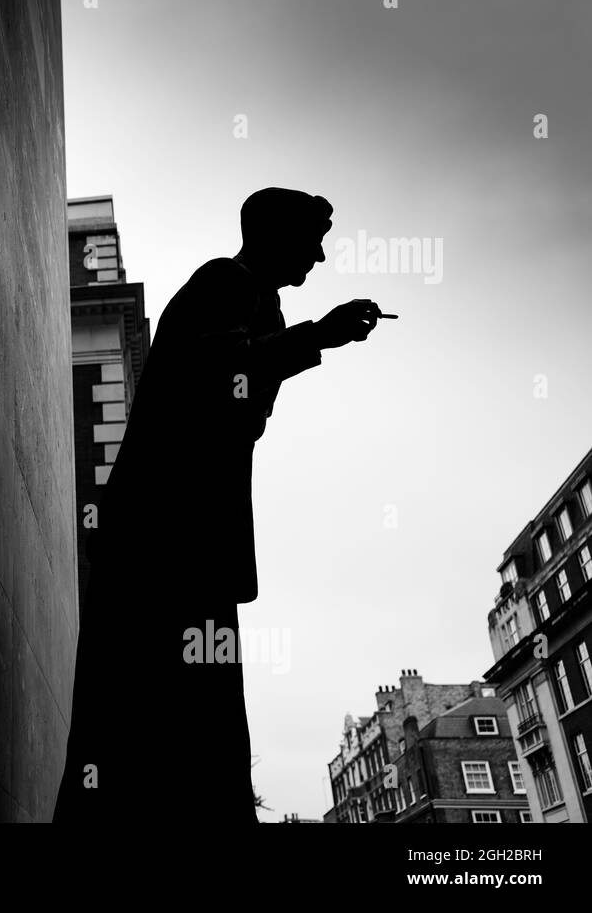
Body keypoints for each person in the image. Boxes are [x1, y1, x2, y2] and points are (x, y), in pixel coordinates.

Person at [54, 187, 385, 824]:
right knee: (179, 720)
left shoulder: (259, 303)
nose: (318, 256)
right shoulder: (226, 281)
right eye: (311, 241)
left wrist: (304, 342)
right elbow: (216, 377)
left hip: (184, 546)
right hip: (168, 545)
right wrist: (322, 335)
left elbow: (238, 399)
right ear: (275, 236)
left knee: (183, 723)